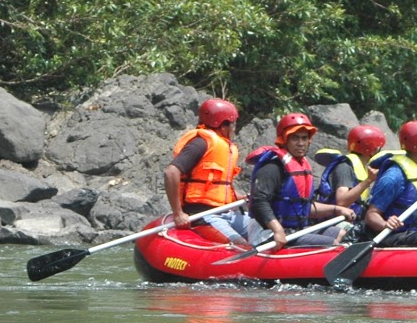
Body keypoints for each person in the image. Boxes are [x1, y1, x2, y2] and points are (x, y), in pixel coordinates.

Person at [249, 113, 356, 248]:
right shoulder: (272, 167)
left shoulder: (301, 165)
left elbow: (304, 207)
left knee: (343, 234)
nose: (300, 143)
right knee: (333, 245)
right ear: (284, 139)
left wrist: (337, 209)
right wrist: (277, 230)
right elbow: (258, 203)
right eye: (295, 138)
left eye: (304, 138)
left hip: (294, 230)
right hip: (267, 232)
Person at [164, 97, 254, 249]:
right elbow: (171, 173)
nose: (234, 129)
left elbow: (218, 188)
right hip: (203, 216)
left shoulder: (224, 146)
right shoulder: (201, 143)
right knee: (242, 246)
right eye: (233, 124)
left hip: (226, 214)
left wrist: (245, 197)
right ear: (223, 125)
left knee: (265, 227)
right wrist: (178, 213)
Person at [317, 124, 386, 211]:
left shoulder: (360, 166)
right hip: (335, 222)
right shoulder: (345, 167)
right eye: (378, 149)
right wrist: (368, 181)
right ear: (371, 150)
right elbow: (341, 201)